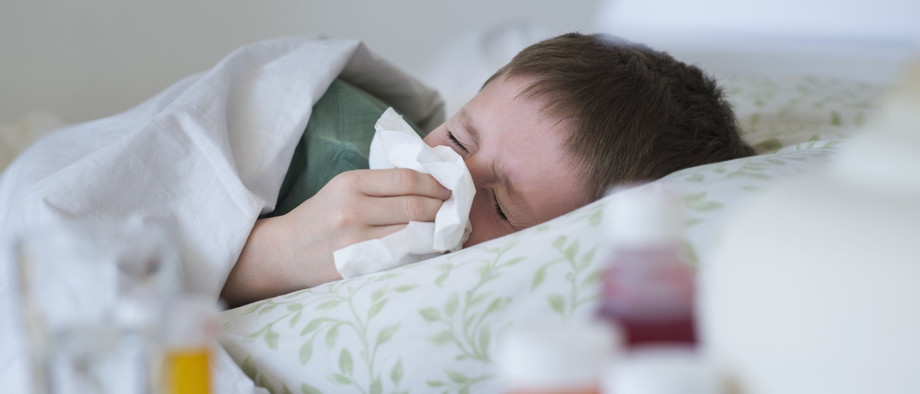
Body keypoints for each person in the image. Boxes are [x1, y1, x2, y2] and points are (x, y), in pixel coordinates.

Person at [219, 32, 756, 307]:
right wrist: (266, 250)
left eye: (499, 206)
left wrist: (258, 269)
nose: (446, 176)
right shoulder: (326, 128)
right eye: (456, 137)